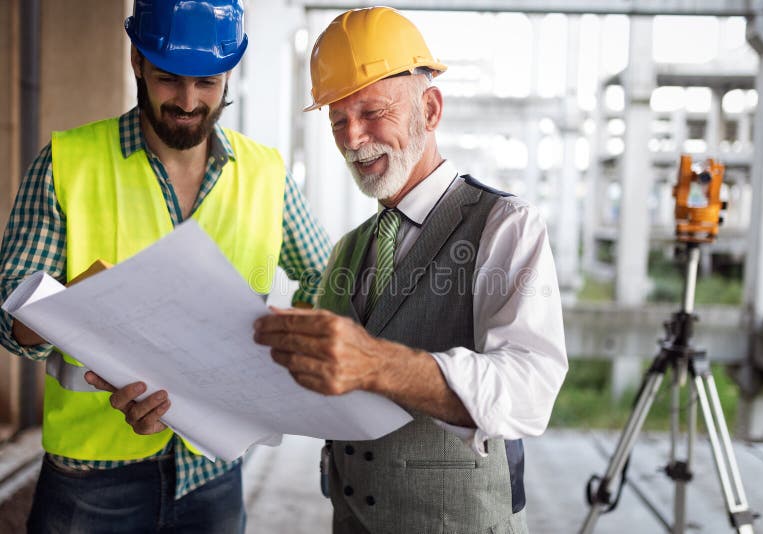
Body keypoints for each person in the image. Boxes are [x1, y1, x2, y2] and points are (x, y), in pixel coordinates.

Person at [102, 5, 567, 534]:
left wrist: (378, 364)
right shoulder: (350, 249)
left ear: (431, 108)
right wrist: (180, 400)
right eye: (339, 120)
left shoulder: (504, 225)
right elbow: (300, 380)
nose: (352, 138)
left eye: (372, 112)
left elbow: (531, 390)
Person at [0, 1, 330, 532]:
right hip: (92, 477)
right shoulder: (68, 162)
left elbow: (328, 280)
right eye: (168, 79)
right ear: (136, 60)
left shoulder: (266, 174)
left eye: (207, 82)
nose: (188, 101)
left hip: (213, 473)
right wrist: (73, 306)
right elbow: (11, 318)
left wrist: (282, 357)